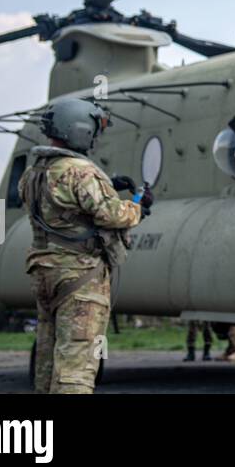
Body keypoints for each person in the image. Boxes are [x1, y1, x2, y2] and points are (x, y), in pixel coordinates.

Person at [19, 97, 146, 394]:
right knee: (76, 364)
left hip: (45, 271)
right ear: (79, 129)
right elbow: (112, 215)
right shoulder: (82, 171)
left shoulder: (33, 173)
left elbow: (65, 204)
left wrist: (107, 186)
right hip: (79, 275)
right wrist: (138, 206)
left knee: (47, 360)